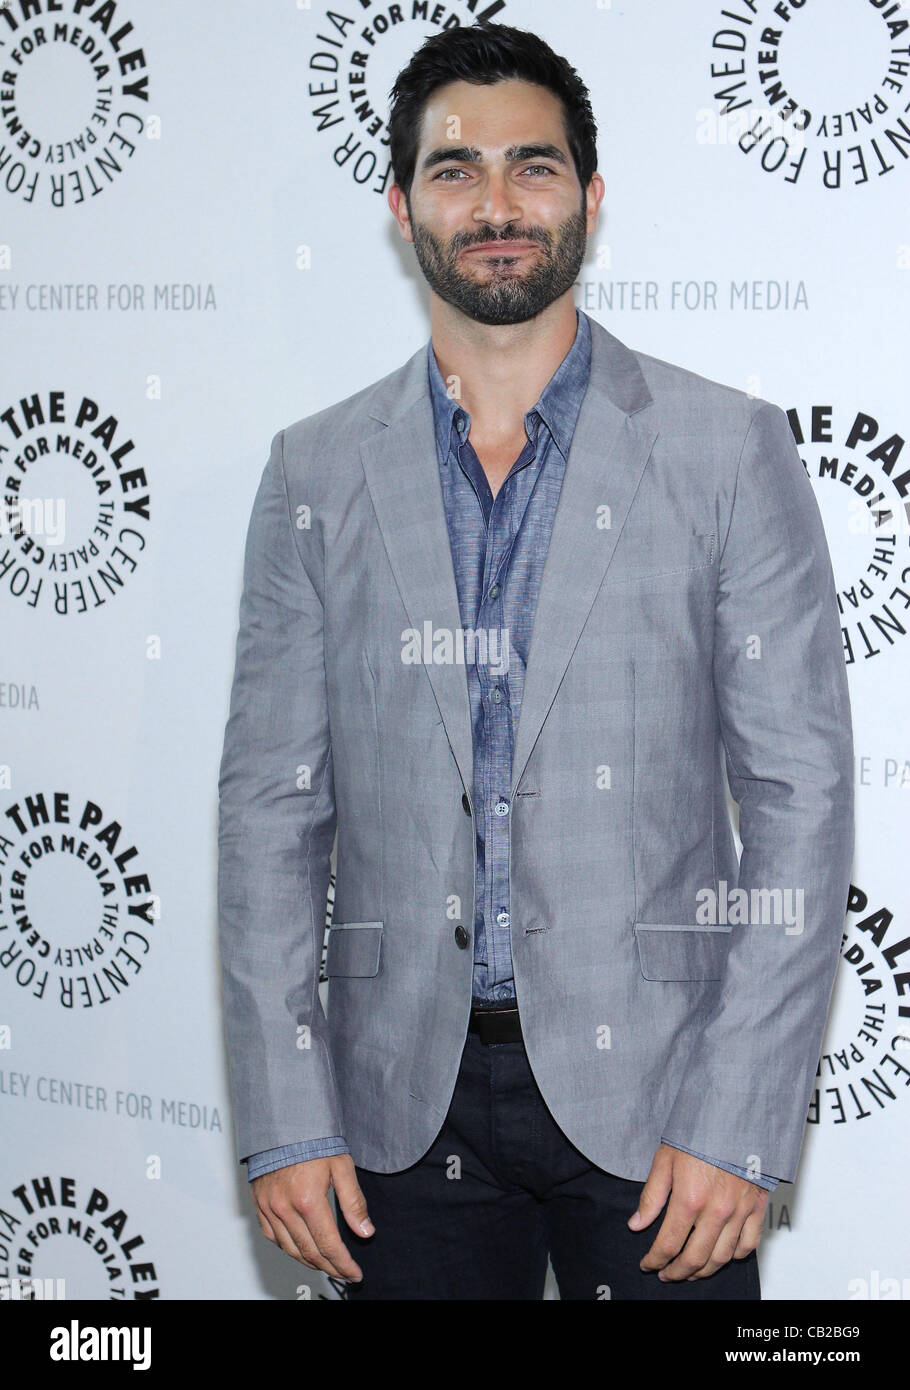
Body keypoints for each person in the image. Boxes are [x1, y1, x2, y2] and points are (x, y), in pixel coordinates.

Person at [217, 22, 854, 1301]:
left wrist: (740, 1113)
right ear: (401, 207)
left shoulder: (725, 450)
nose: (496, 204)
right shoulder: (316, 469)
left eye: (534, 167)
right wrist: (285, 1115)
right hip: (395, 1108)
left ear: (590, 198)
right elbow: (269, 816)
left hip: (668, 1100)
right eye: (455, 172)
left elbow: (800, 801)